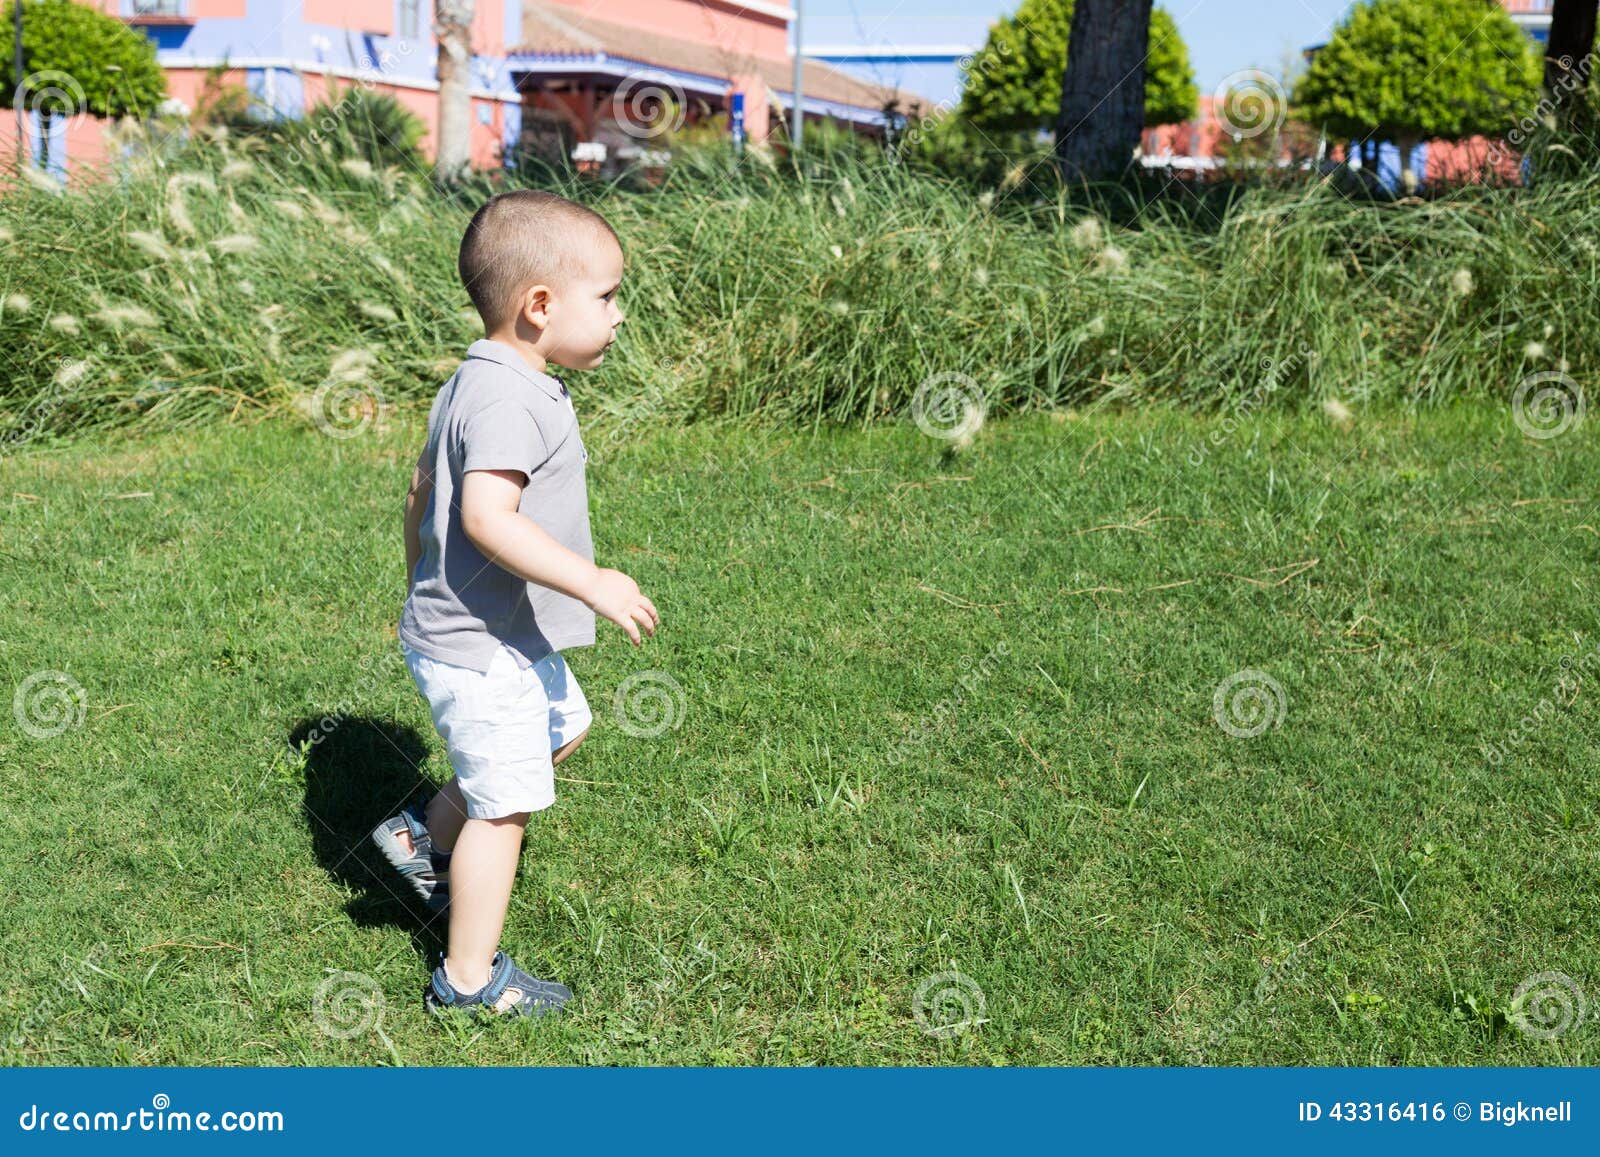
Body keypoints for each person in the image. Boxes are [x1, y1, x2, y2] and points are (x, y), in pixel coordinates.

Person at [371, 189, 659, 1017]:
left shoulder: (488, 376)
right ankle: (466, 981)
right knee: (507, 808)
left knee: (562, 728)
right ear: (540, 306)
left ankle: (425, 834)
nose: (618, 314)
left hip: (488, 627)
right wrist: (593, 582)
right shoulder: (505, 397)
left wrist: (418, 573)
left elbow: (420, 490)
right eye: (605, 297)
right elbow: (483, 516)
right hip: (477, 645)